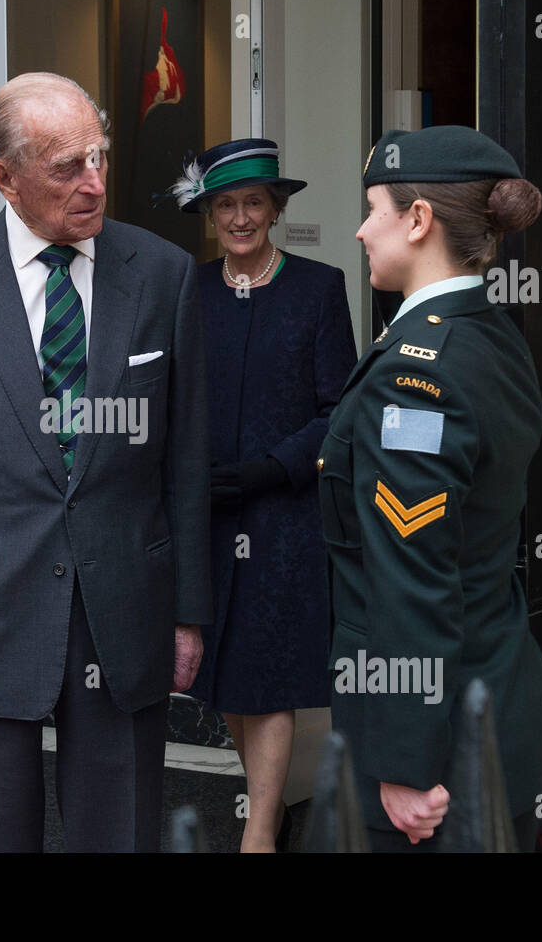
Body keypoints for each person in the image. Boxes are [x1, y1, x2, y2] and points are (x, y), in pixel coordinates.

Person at [0, 72, 211, 852]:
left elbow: (186, 461)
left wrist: (189, 611)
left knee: (120, 834)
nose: (94, 183)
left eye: (99, 157)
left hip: (125, 609)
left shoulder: (162, 275)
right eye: (66, 168)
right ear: (3, 178)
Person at [319, 125, 542, 851]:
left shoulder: (414, 370)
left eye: (373, 209)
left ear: (418, 220)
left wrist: (405, 760)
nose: (360, 230)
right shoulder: (489, 334)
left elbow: (414, 575)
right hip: (500, 693)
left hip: (436, 741)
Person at [170, 139, 357, 852]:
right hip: (211, 515)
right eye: (226, 205)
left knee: (269, 672)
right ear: (210, 215)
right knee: (229, 673)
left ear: (275, 209)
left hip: (283, 515)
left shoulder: (317, 287)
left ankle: (258, 834)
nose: (241, 217)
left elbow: (339, 409)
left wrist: (273, 468)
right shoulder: (190, 290)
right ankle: (266, 811)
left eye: (253, 203)